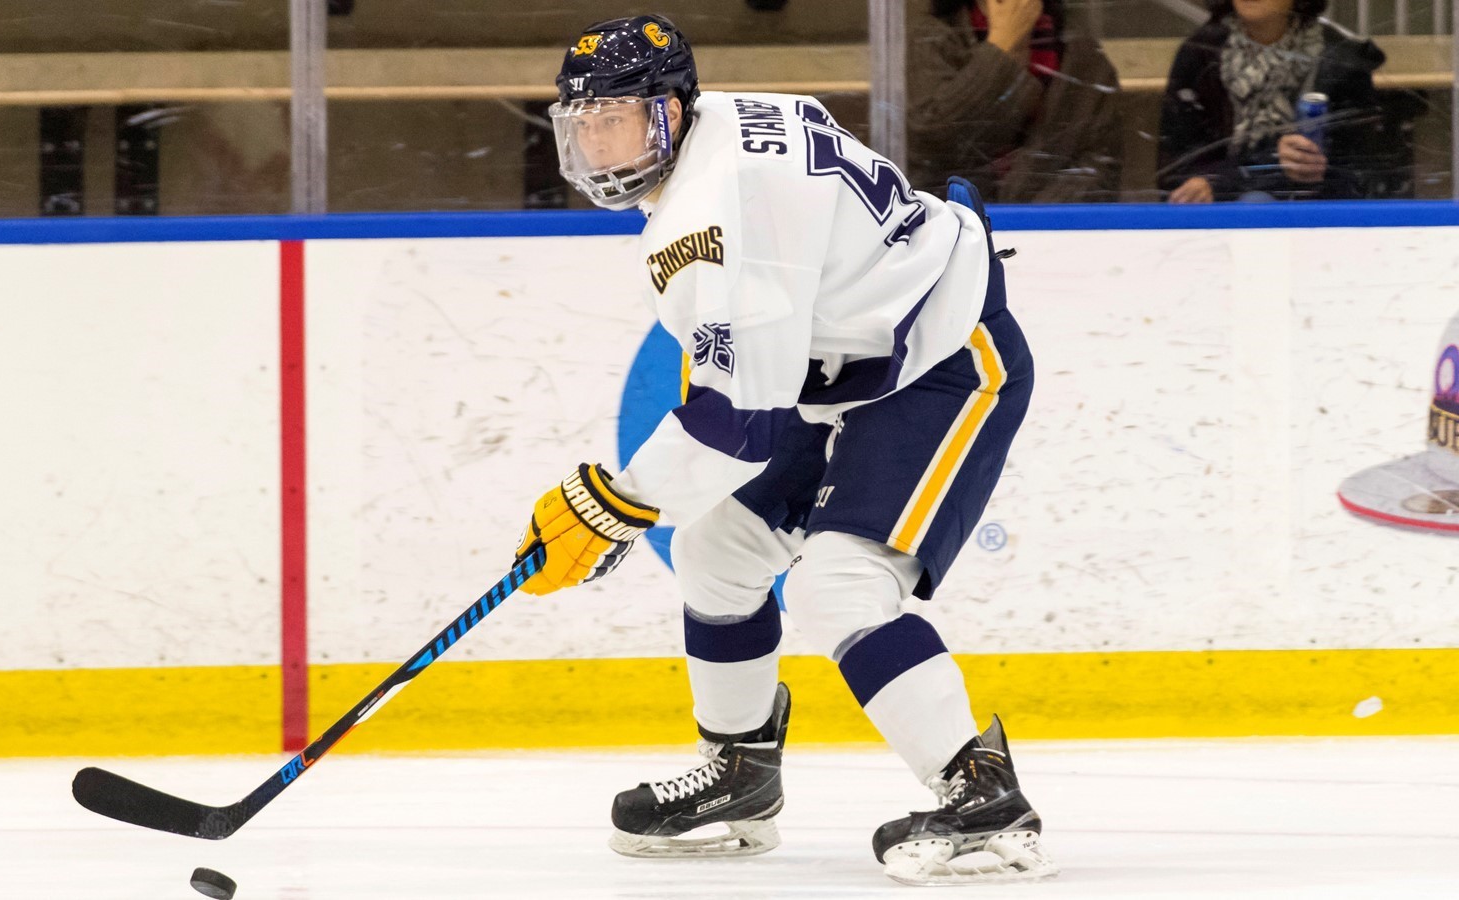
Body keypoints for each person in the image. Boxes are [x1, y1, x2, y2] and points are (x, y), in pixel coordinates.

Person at [509, 14, 1056, 886]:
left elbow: (740, 426)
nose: (601, 145)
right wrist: (629, 505)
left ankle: (979, 789)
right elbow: (753, 384)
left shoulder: (712, 220)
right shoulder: (724, 120)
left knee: (836, 585)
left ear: (671, 112)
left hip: (945, 357)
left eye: (619, 119)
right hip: (850, 362)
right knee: (715, 551)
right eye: (586, 124)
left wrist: (612, 506)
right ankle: (741, 772)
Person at [1158, 0, 1397, 202]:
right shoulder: (1200, 54)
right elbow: (1173, 169)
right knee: (1254, 203)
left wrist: (1315, 166)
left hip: (1316, 220)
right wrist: (1253, 171)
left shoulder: (1341, 61)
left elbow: (1364, 173)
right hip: (1221, 220)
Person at [905, 0, 1122, 203]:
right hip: (956, 223)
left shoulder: (1081, 56)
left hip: (1048, 228)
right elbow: (932, 146)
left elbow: (1099, 172)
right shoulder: (931, 39)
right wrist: (1003, 44)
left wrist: (1030, 221)